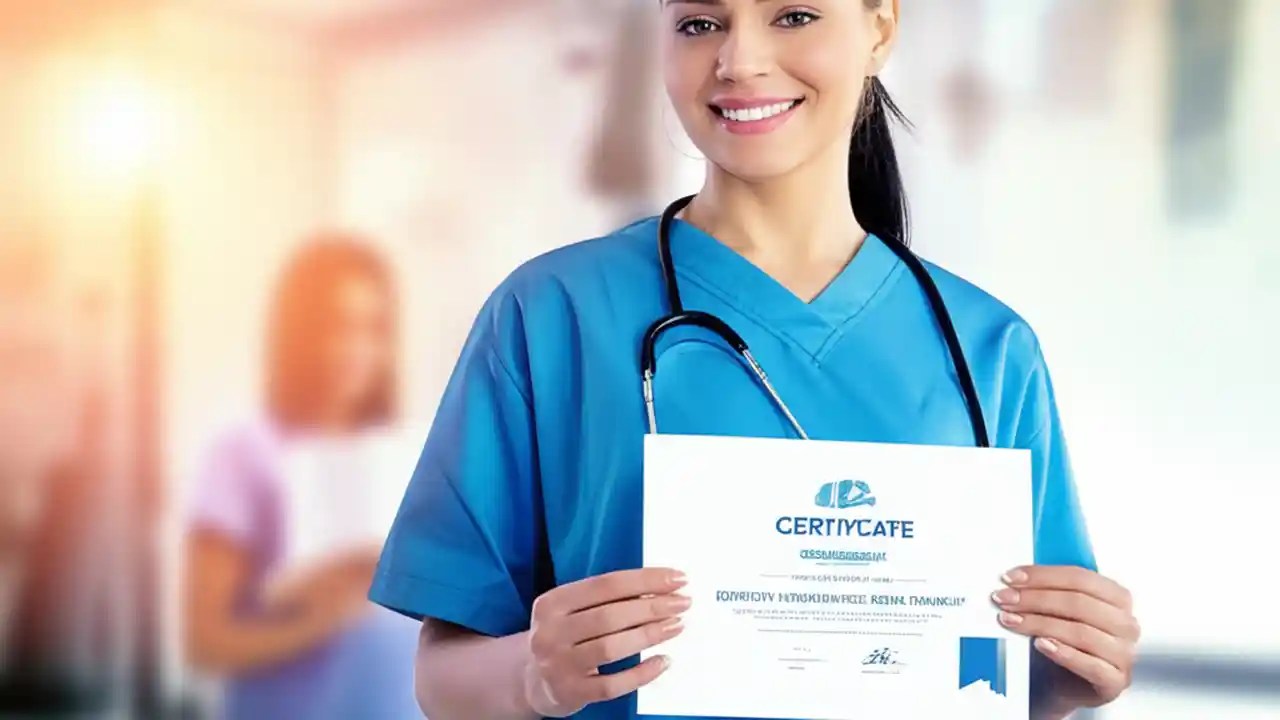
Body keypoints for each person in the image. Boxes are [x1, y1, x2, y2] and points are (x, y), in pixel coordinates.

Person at [370, 2, 1140, 719]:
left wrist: (1066, 678)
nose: (739, 60)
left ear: (879, 27)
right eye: (701, 22)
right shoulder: (552, 313)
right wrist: (532, 677)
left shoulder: (990, 348)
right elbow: (442, 674)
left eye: (794, 14)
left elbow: (1004, 679)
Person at [184, 236, 421, 719]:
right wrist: (321, 617)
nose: (357, 349)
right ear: (299, 332)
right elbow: (205, 641)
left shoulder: (407, 456)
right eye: (338, 326)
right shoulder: (242, 455)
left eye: (373, 329)